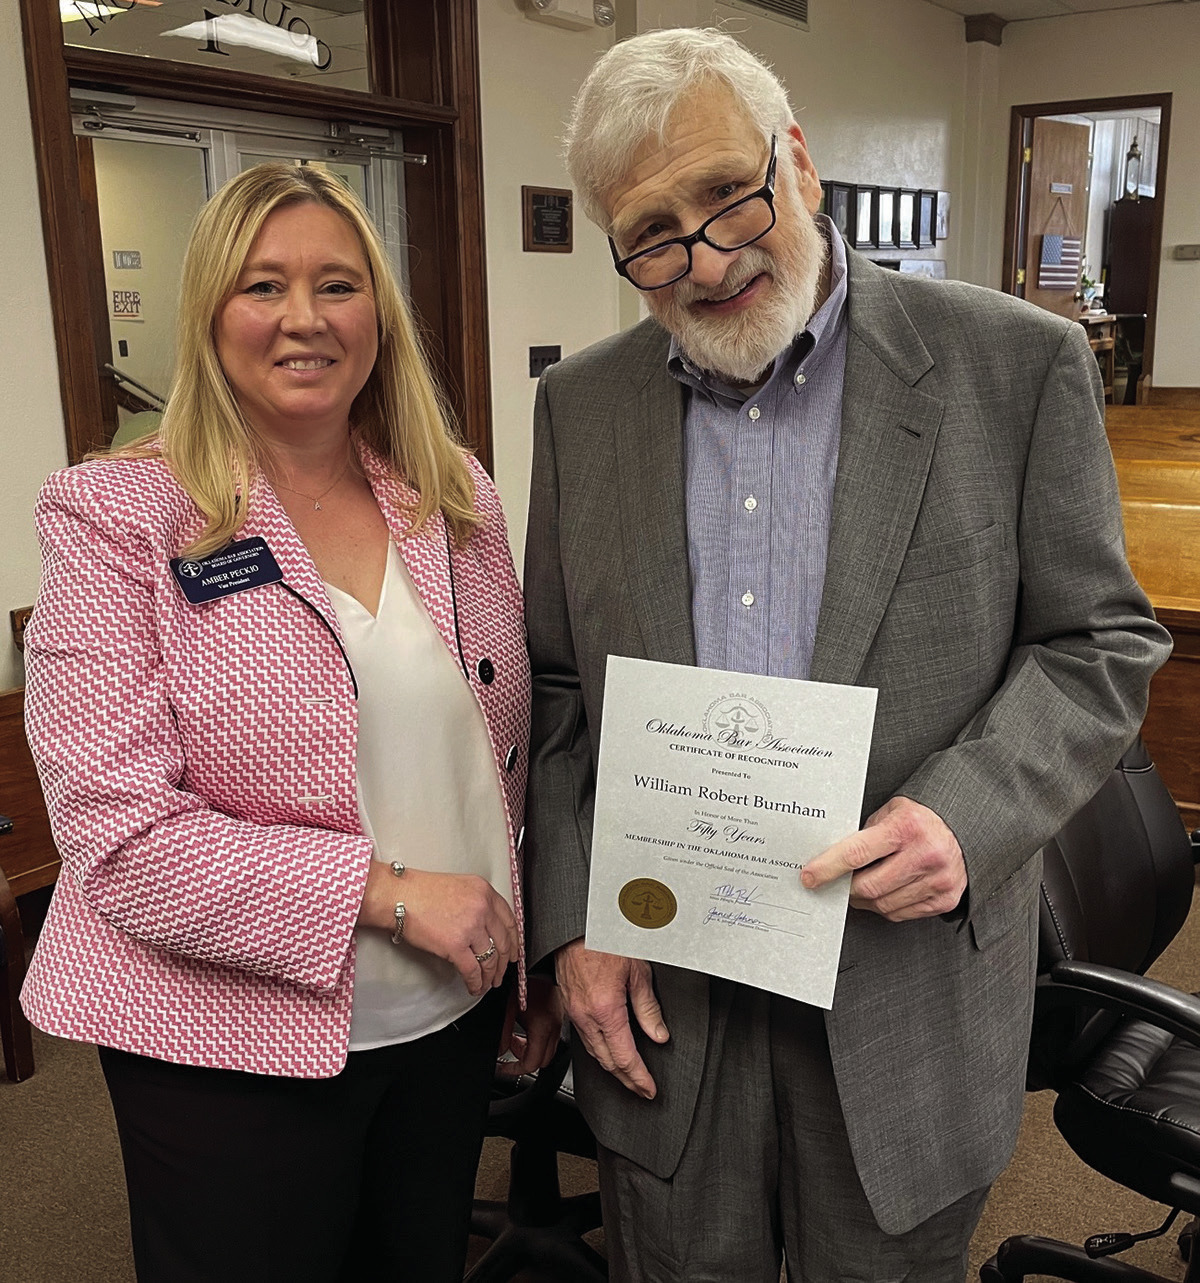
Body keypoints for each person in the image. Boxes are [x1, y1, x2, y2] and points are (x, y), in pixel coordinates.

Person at [522, 28, 1171, 1283]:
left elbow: (1098, 641)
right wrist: (572, 923)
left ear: (800, 161)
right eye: (653, 232)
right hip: (667, 986)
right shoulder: (580, 406)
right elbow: (556, 688)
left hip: (905, 988)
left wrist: (966, 814)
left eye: (729, 193)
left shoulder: (1012, 365)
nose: (708, 258)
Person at [21, 161, 559, 1283]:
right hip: (225, 1041)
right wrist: (392, 895)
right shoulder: (119, 512)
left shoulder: (453, 493)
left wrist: (533, 956)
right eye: (263, 285)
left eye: (338, 284)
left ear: (380, 313)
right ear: (210, 313)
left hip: (447, 1019)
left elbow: (499, 752)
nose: (304, 317)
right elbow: (119, 836)